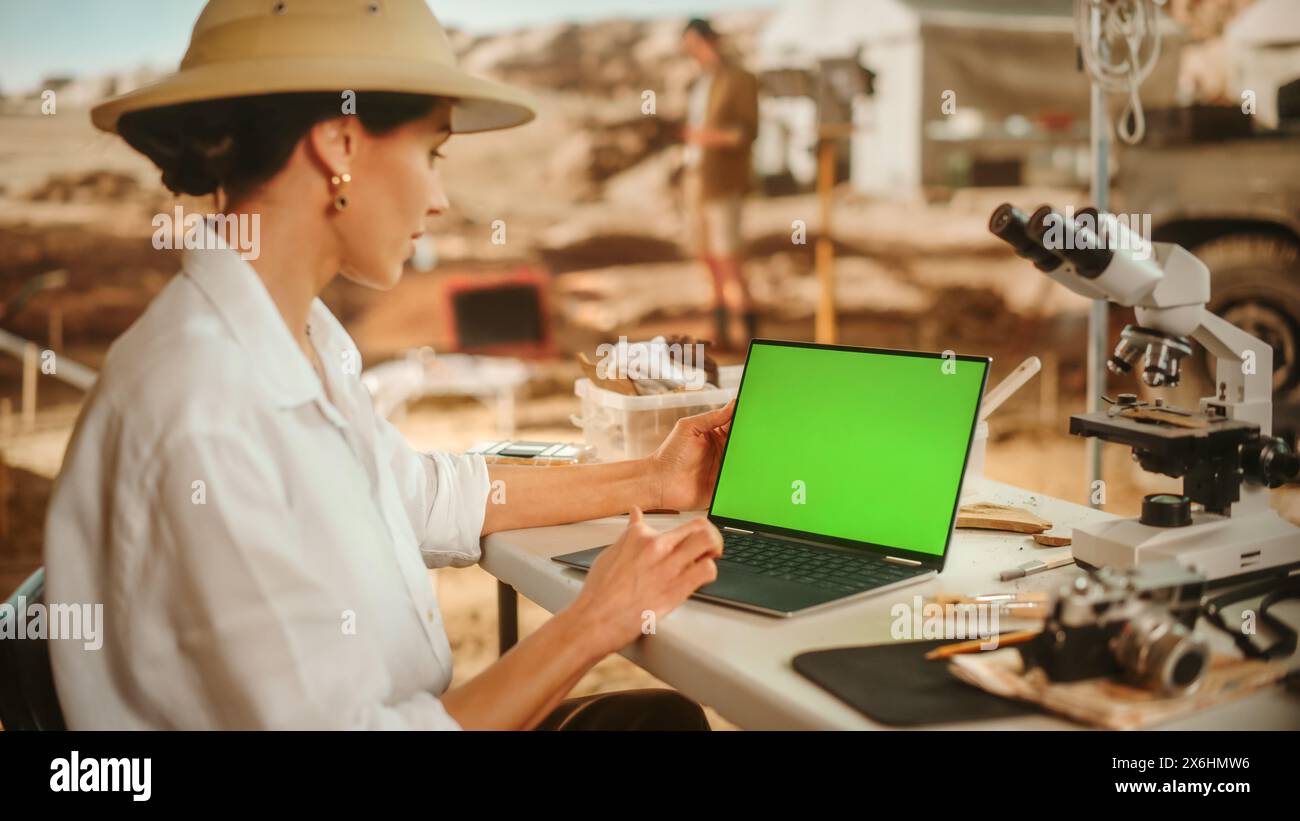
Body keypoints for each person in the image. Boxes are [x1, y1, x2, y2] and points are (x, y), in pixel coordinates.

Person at [44, 0, 732, 731]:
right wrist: (598, 618)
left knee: (655, 720)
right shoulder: (204, 414)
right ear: (340, 142)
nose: (439, 199)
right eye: (431, 154)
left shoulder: (300, 335)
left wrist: (656, 478)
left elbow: (423, 495)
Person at [680, 17, 760, 350]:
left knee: (728, 258)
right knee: (707, 257)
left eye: (696, 45)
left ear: (711, 41)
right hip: (696, 178)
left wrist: (705, 137)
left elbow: (746, 133)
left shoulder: (739, 79)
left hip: (723, 183)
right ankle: (721, 330)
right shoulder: (700, 83)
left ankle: (749, 332)